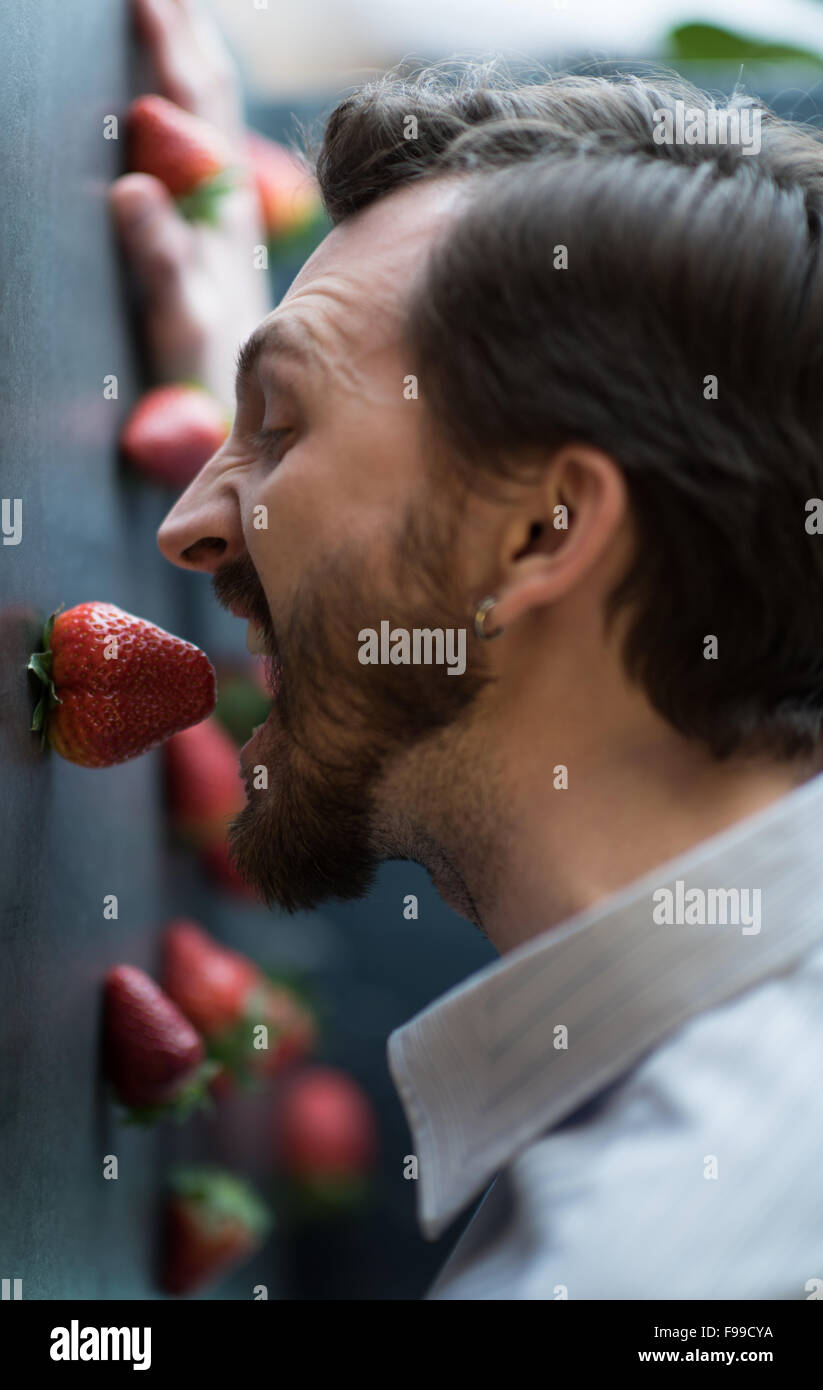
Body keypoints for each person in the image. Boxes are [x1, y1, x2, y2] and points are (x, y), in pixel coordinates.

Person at [114, 0, 823, 1299]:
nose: (186, 527)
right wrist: (296, 434)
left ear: (544, 530)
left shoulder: (637, 1260)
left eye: (274, 429)